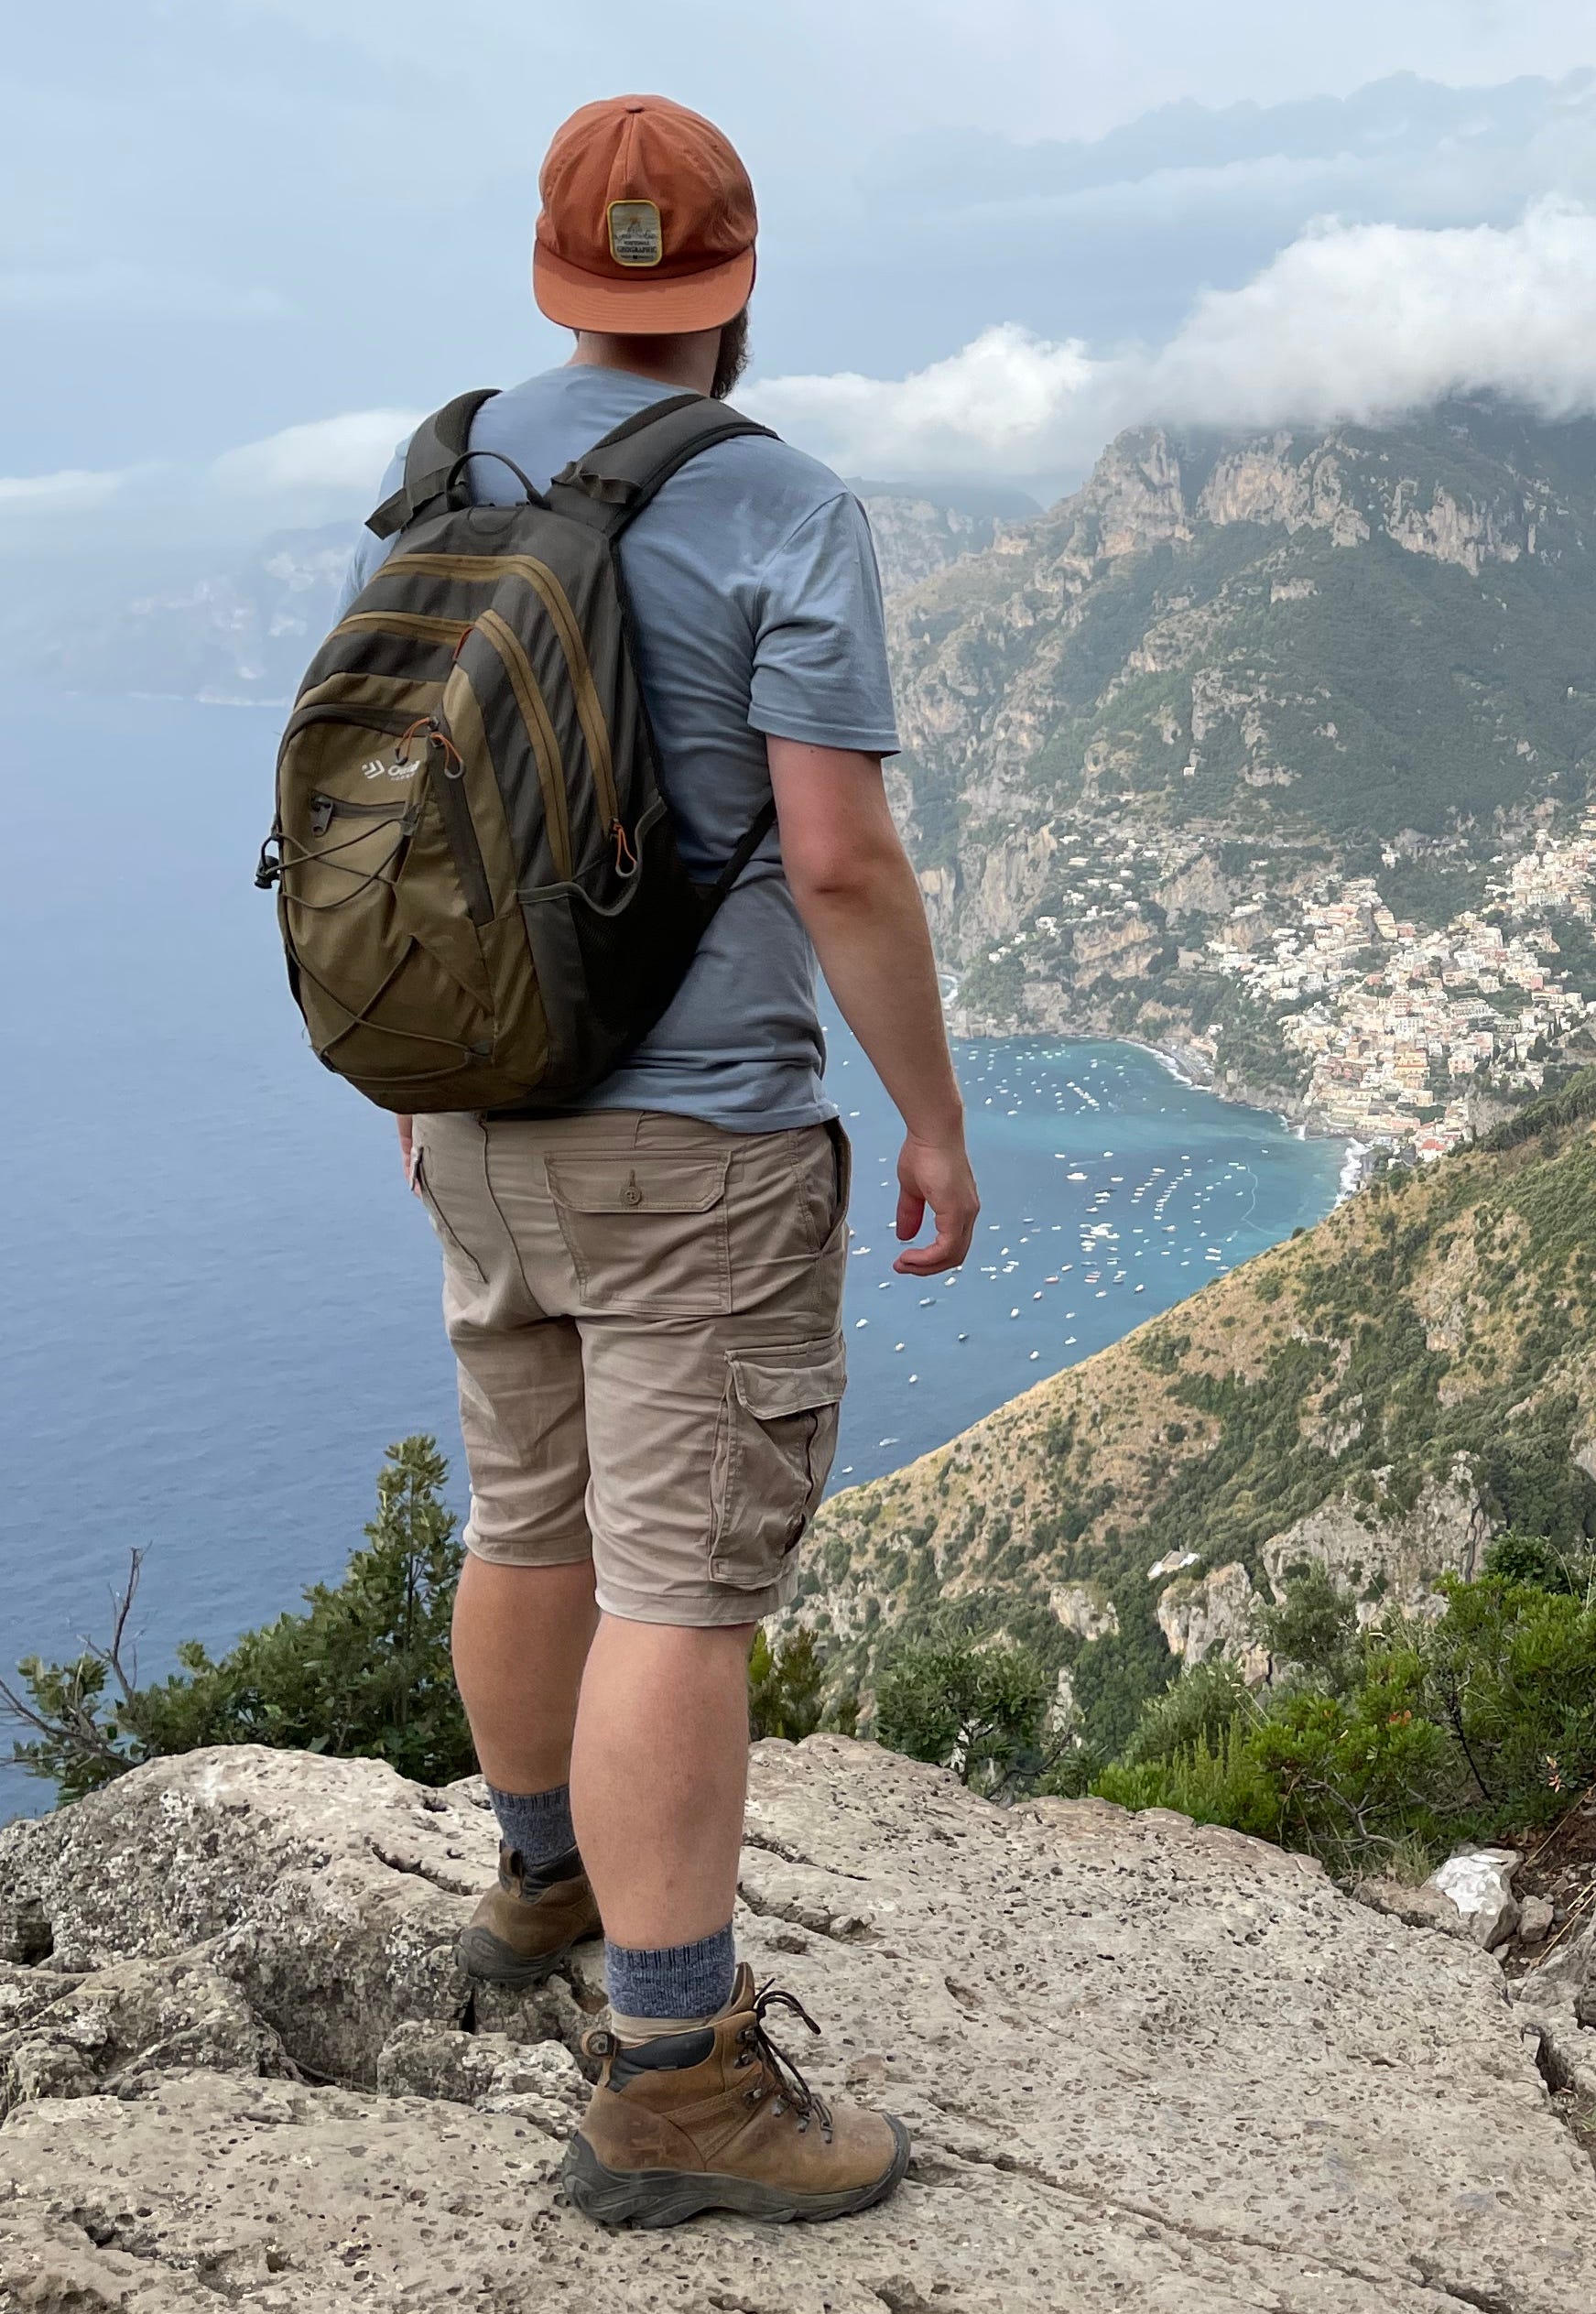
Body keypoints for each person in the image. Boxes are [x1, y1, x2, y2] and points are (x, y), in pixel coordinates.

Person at [342, 93, 977, 2229]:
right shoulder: (777, 503)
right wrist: (929, 1117)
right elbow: (839, 855)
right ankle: (678, 2074)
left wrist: (433, 1097)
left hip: (473, 1105)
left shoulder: (443, 475)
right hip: (691, 1138)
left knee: (522, 1517)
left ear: (554, 274)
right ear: (736, 282)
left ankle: (537, 1887)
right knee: (678, 1590)